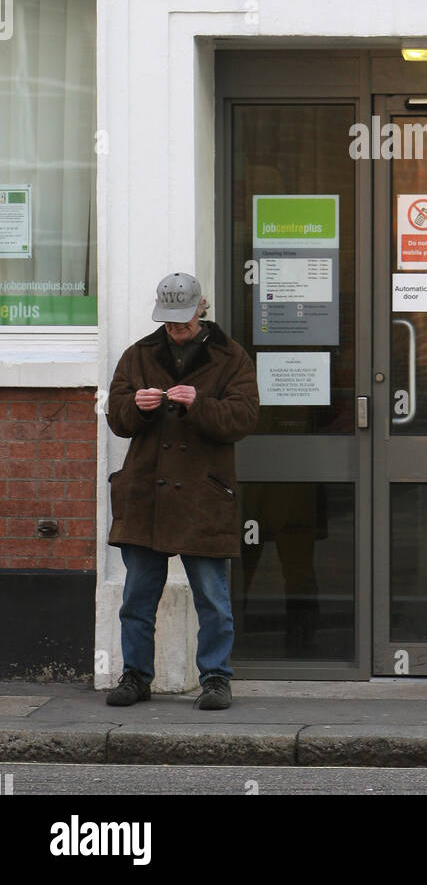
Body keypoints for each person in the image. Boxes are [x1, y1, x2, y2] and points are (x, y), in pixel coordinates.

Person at [105, 272, 259, 710]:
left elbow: (244, 418)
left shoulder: (232, 358)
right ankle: (135, 676)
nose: (176, 330)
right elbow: (117, 416)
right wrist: (135, 406)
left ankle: (215, 677)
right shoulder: (138, 355)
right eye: (169, 322)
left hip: (202, 494)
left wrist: (201, 405)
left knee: (212, 597)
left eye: (183, 322)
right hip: (146, 494)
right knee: (137, 596)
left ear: (201, 310)